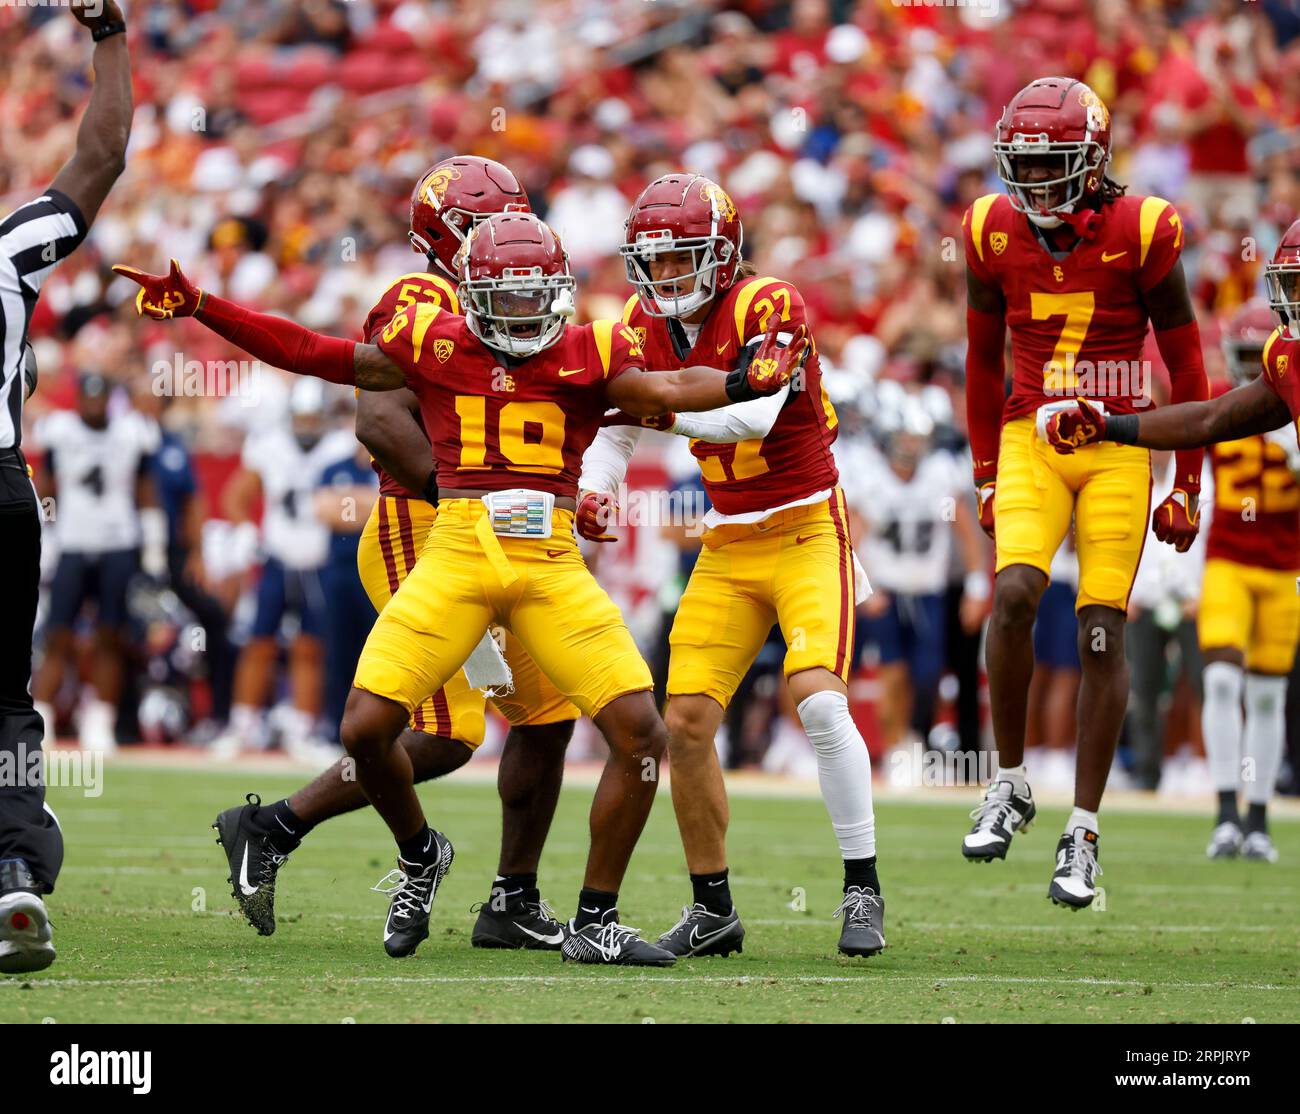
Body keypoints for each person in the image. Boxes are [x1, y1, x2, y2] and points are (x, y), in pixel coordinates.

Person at [115, 210, 802, 966]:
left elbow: (671, 383)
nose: (519, 312)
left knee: (640, 733)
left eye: (531, 294)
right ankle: (419, 853)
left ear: (559, 291)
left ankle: (593, 919)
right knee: (366, 728)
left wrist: (745, 377)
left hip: (548, 563)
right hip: (457, 552)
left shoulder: (591, 347)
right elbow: (316, 352)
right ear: (469, 293)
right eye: (502, 297)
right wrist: (204, 304)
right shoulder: (435, 340)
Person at [208, 160, 584, 952]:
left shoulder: (510, 301)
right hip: (427, 533)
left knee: (548, 717)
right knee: (447, 735)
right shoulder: (421, 300)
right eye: (493, 225)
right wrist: (471, 497)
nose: (511, 240)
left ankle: (512, 899)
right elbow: (379, 420)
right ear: (450, 238)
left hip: (505, 538)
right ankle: (298, 829)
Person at [581, 172, 885, 958]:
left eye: (681, 259)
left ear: (722, 255)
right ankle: (712, 908)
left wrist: (652, 403)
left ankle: (862, 888)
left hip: (807, 526)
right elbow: (612, 430)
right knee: (683, 722)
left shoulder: (767, 303)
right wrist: (596, 490)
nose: (665, 277)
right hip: (727, 538)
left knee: (818, 701)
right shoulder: (638, 321)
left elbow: (752, 410)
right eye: (653, 262)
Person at [962, 78, 1209, 908]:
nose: (1032, 183)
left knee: (1101, 630)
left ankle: (1084, 828)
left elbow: (1188, 362)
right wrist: (986, 471)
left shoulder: (1145, 228)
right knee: (1015, 594)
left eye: (1051, 164)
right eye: (1023, 164)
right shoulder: (990, 230)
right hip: (1030, 436)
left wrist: (1188, 485)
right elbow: (980, 359)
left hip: (1114, 442)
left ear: (1093, 162)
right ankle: (1009, 782)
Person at [1053, 294, 1300, 858]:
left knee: (1266, 696)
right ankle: (1227, 814)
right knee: (1220, 682)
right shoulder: (1285, 360)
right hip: (1233, 562)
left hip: (1287, 564)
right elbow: (1206, 420)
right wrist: (1114, 426)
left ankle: (1258, 818)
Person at [0, 1, 131, 975]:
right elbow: (101, 157)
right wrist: (111, 37)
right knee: (5, 697)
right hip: (3, 496)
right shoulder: (7, 255)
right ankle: (10, 866)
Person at [215, 377, 355, 761]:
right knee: (259, 642)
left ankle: (302, 729)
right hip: (277, 558)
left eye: (313, 419)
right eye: (301, 419)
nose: (307, 427)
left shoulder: (340, 448)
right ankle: (242, 726)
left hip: (318, 561)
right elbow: (236, 497)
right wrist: (245, 528)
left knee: (309, 648)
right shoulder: (270, 446)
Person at [31, 374, 160, 754]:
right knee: (58, 635)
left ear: (109, 399)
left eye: (100, 397)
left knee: (110, 635)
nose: (94, 405)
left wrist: (153, 544)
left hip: (118, 542)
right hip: (73, 541)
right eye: (88, 398)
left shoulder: (132, 432)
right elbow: (49, 486)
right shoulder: (61, 431)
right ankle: (42, 718)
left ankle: (100, 720)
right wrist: (48, 537)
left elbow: (145, 491)